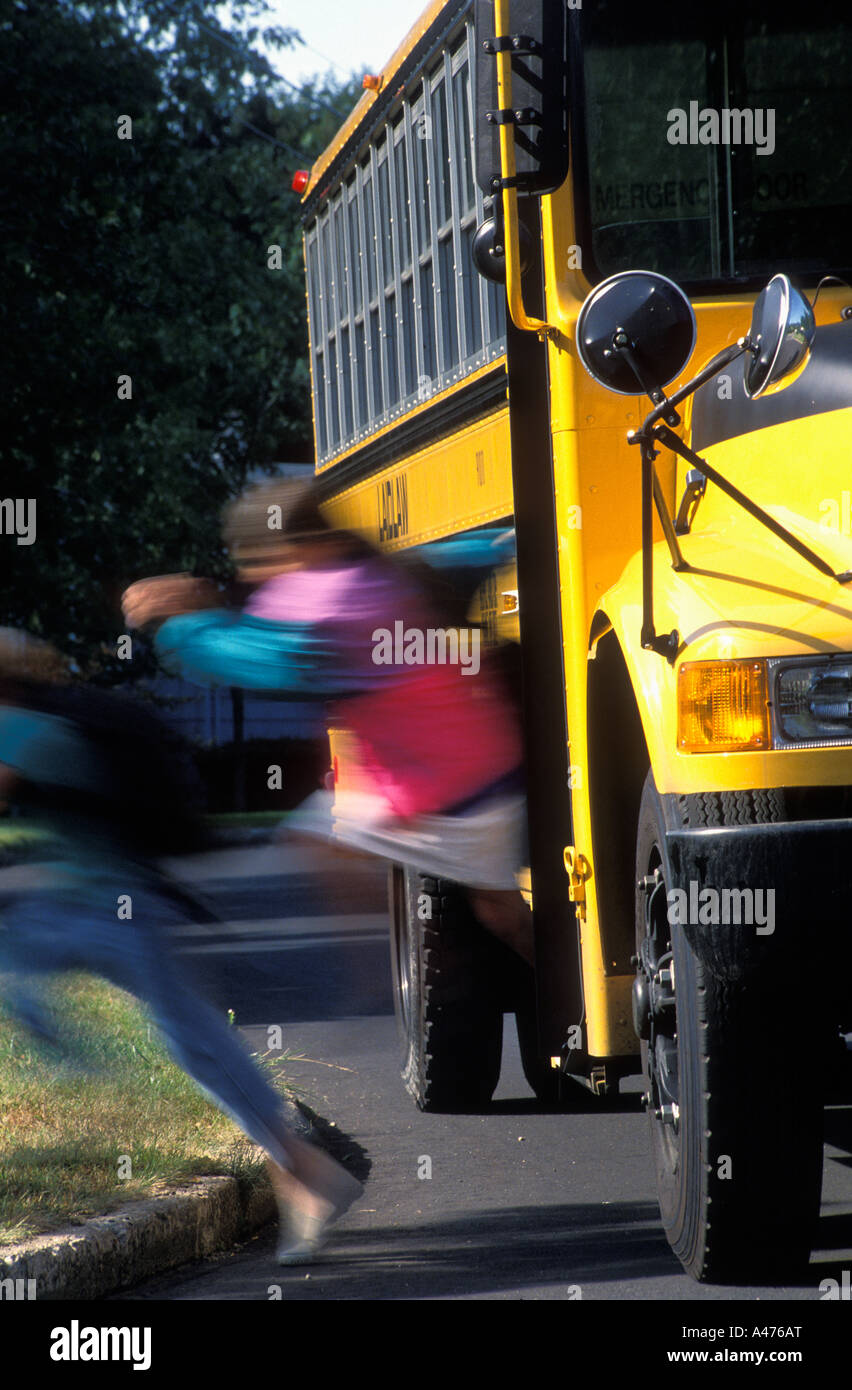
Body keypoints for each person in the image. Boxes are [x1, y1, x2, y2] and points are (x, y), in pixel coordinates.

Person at [0, 627, 361, 1264]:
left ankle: (301, 1171)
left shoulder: (20, 727)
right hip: (111, 904)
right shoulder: (48, 718)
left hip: (111, 911)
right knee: (195, 1042)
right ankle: (302, 1174)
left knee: (195, 1041)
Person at [121, 479, 534, 963]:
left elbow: (262, 655)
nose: (255, 576)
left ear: (312, 546)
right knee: (495, 906)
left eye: (261, 560)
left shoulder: (335, 606)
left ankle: (360, 967)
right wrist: (504, 542)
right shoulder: (377, 574)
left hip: (456, 787)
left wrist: (179, 623)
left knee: (495, 907)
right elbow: (453, 558)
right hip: (462, 768)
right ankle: (559, 990)